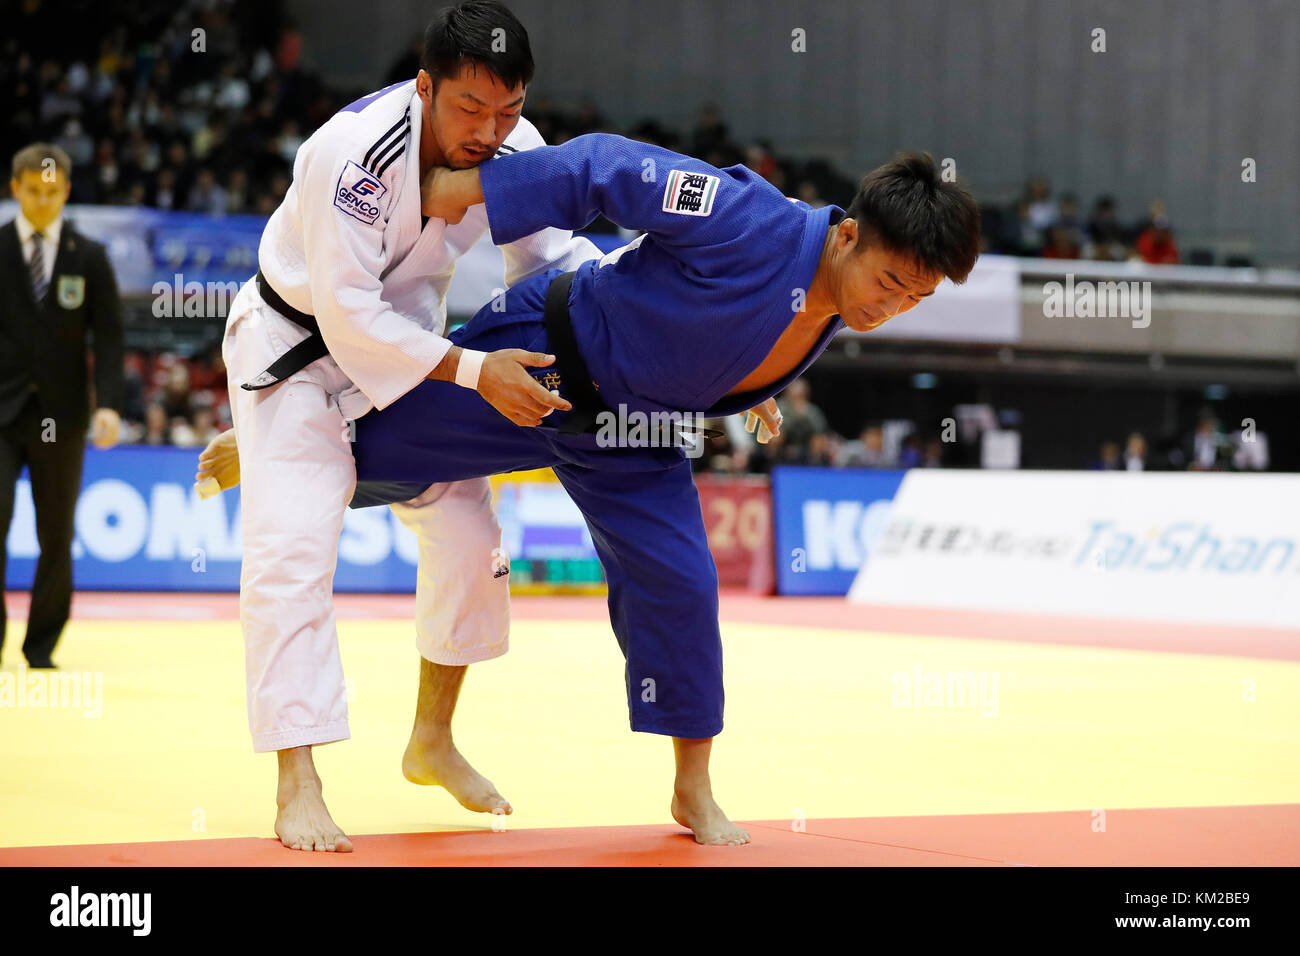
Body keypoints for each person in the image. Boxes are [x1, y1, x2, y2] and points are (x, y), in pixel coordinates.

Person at [201, 137, 978, 844]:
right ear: (847, 234)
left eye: (914, 298)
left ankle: (692, 788)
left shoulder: (835, 297)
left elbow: (724, 329)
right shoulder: (749, 216)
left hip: (635, 439)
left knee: (682, 583)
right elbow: (608, 165)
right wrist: (469, 187)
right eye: (888, 282)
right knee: (355, 458)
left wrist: (742, 386)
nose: (889, 306)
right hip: (542, 363)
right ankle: (268, 437)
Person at [210, 1, 605, 853]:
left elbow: (555, 267)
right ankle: (298, 783)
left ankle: (431, 739)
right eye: (470, 109)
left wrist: (699, 357)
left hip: (414, 351)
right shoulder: (351, 153)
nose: (491, 130)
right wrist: (473, 370)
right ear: (425, 88)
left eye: (509, 109)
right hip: (299, 349)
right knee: (292, 548)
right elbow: (349, 318)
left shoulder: (516, 147)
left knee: (469, 533)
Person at [1, 143, 123, 668]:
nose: (43, 201)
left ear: (67, 191)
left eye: (52, 192)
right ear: (15, 189)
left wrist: (111, 405)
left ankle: (42, 647)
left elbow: (110, 337)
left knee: (56, 533)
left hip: (63, 416)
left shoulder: (88, 256)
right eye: (33, 192)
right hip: (1, 416)